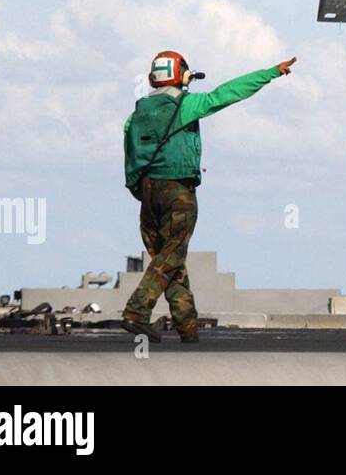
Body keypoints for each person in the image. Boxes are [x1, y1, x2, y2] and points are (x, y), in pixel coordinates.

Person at [121, 51, 296, 344]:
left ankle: (188, 330)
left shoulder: (137, 113)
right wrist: (271, 72)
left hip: (148, 193)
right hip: (178, 190)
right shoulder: (187, 104)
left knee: (168, 261)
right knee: (171, 257)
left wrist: (139, 189)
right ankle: (137, 313)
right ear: (183, 75)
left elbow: (129, 151)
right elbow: (226, 93)